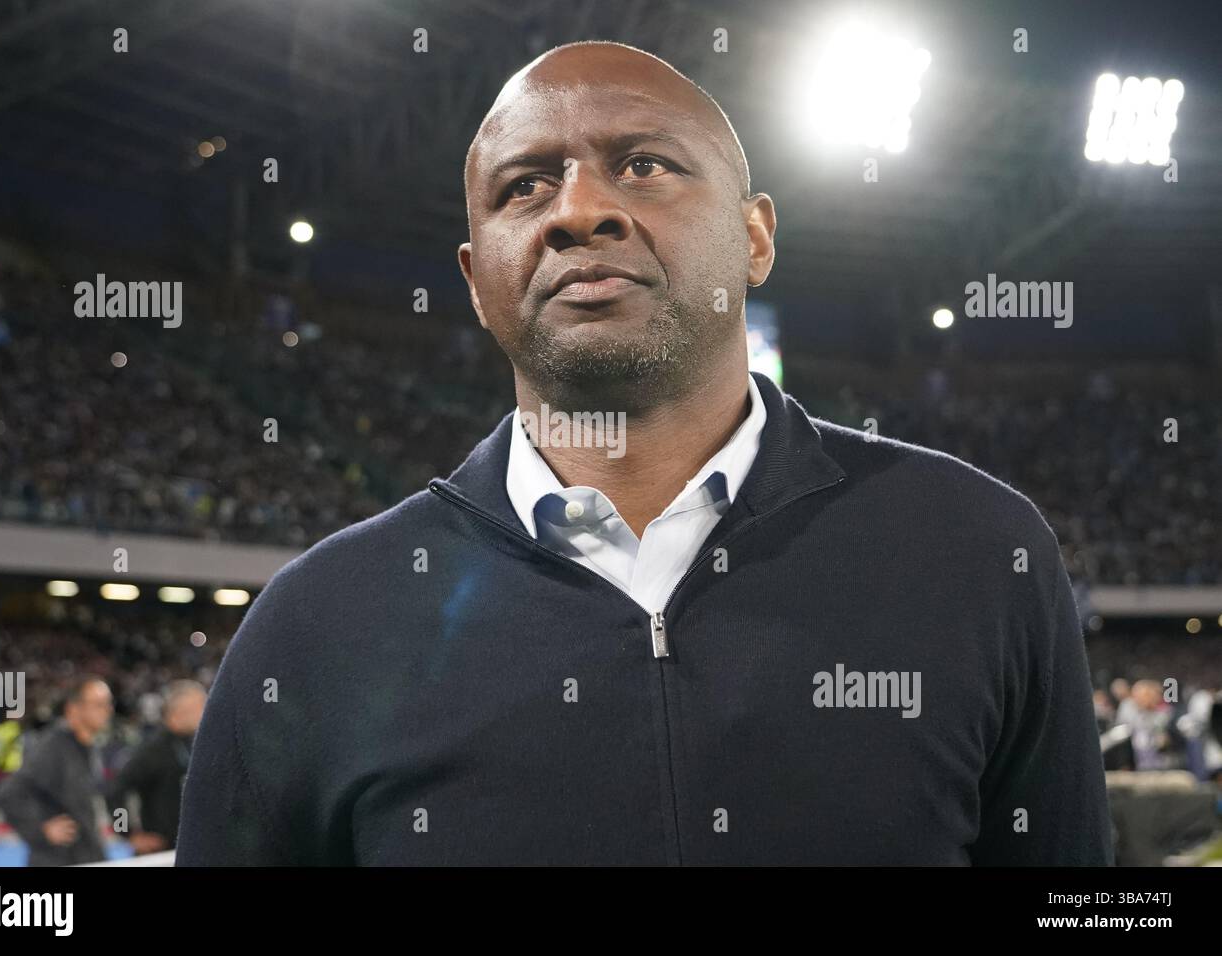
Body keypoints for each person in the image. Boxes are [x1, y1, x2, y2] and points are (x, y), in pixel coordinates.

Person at [177, 41, 1112, 866]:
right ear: (475, 279)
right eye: (524, 187)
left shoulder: (977, 551)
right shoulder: (317, 626)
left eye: (645, 165)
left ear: (755, 237)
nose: (579, 211)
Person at [0, 676, 113, 866]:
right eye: (99, 704)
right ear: (74, 709)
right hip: (57, 860)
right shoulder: (53, 747)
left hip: (84, 856)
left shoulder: (88, 747)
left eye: (108, 704)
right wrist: (41, 830)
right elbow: (10, 793)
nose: (108, 710)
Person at [107, 680, 206, 855]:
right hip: (162, 852)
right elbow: (115, 790)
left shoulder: (194, 743)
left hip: (193, 846)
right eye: (200, 707)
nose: (205, 712)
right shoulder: (152, 750)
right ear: (178, 712)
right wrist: (128, 834)